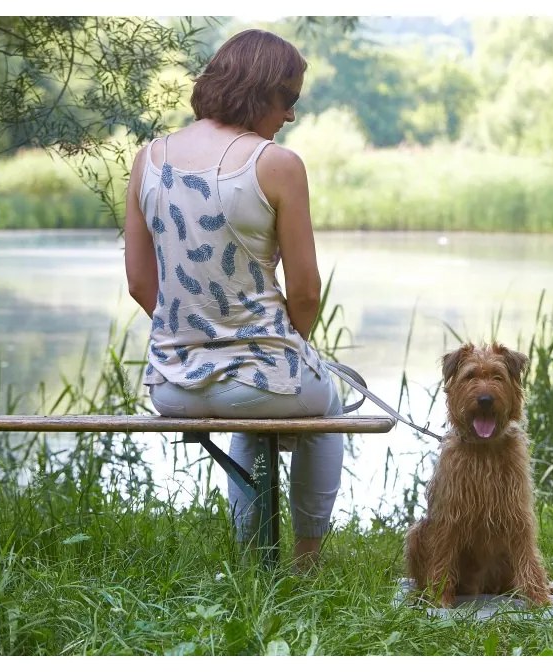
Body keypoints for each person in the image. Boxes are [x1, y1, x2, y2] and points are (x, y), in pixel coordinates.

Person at [124, 29, 342, 571]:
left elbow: (138, 282)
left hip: (173, 386)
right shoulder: (277, 164)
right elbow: (308, 293)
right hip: (259, 381)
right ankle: (306, 561)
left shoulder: (148, 159)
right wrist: (282, 349)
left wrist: (197, 333)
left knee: (254, 408)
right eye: (288, 98)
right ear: (261, 90)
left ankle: (251, 559)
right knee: (328, 402)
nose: (290, 115)